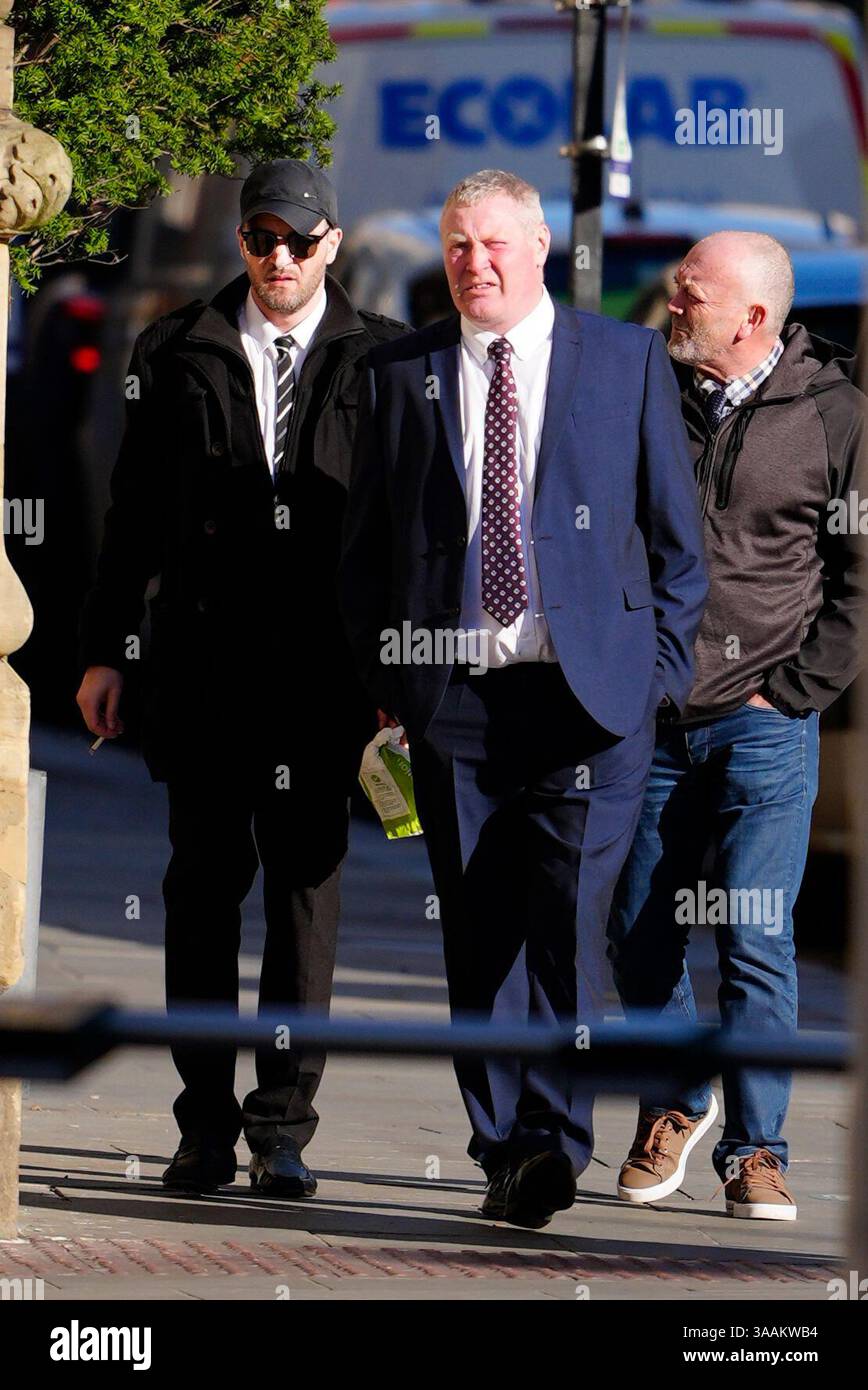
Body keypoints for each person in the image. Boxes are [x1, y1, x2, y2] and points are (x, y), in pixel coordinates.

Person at [339, 169, 708, 1229]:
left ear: (539, 244)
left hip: (592, 700)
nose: (475, 263)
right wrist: (392, 680)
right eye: (458, 246)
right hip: (455, 699)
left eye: (494, 243)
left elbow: (680, 548)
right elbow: (364, 555)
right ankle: (504, 1145)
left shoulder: (624, 360)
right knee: (479, 932)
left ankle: (553, 1138)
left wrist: (655, 683)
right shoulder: (398, 370)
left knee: (568, 926)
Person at [76, 159, 408, 1198]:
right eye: (261, 236)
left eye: (297, 240)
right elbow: (129, 515)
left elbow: (409, 531)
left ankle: (282, 1132)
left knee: (306, 903)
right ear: (242, 242)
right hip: (205, 668)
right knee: (201, 900)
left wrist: (404, 664)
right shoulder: (175, 349)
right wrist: (105, 647)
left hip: (323, 679)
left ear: (331, 245)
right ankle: (202, 1128)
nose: (277, 257)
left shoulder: (385, 361)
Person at [608, 231, 865, 1221]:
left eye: (688, 297)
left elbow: (858, 580)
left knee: (754, 937)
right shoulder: (644, 394)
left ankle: (757, 1151)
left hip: (764, 722)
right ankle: (677, 1100)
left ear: (752, 317)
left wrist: (795, 689)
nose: (671, 307)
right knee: (637, 934)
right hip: (651, 719)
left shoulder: (837, 418)